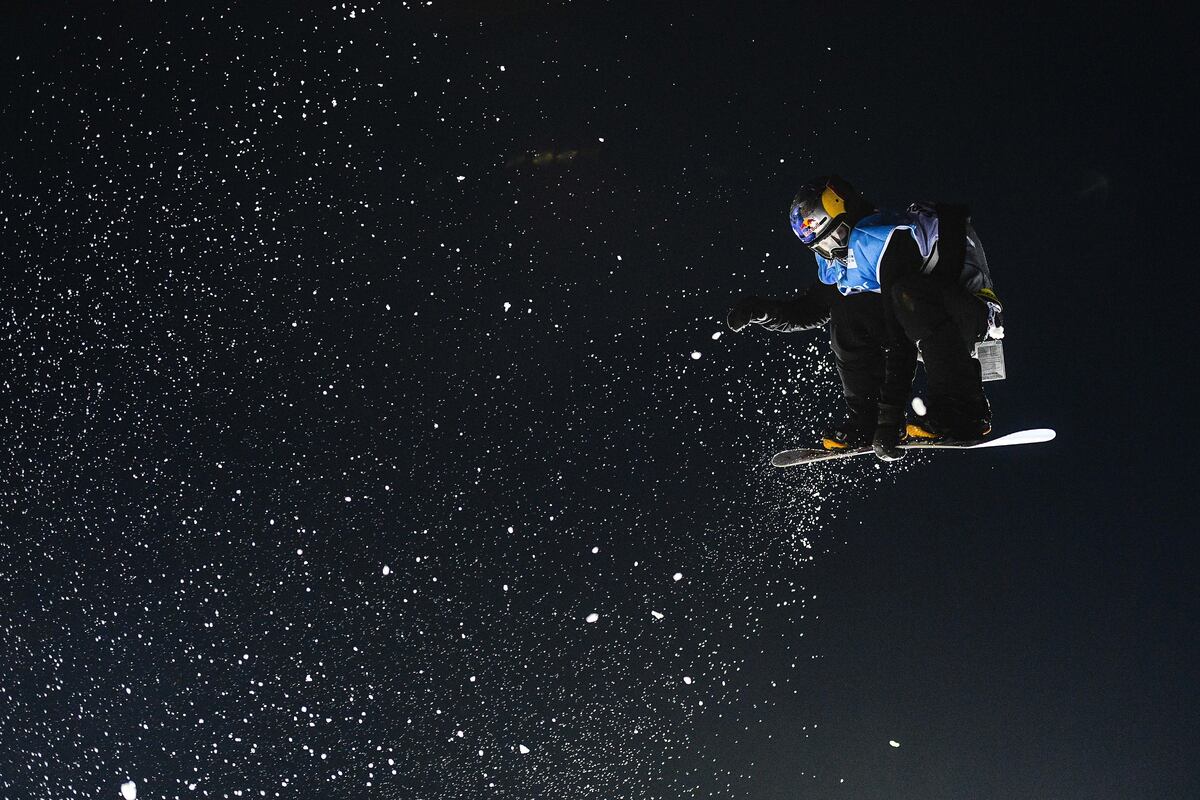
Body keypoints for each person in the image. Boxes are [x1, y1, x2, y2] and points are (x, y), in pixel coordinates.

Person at [727, 175, 1003, 460]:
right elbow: (813, 309)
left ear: (848, 219)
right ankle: (864, 420)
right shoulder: (844, 255)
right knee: (847, 313)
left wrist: (891, 419)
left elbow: (899, 340)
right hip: (921, 323)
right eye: (822, 248)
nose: (832, 252)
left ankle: (962, 410)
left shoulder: (886, 238)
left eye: (834, 238)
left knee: (905, 293)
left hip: (968, 317)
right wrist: (761, 312)